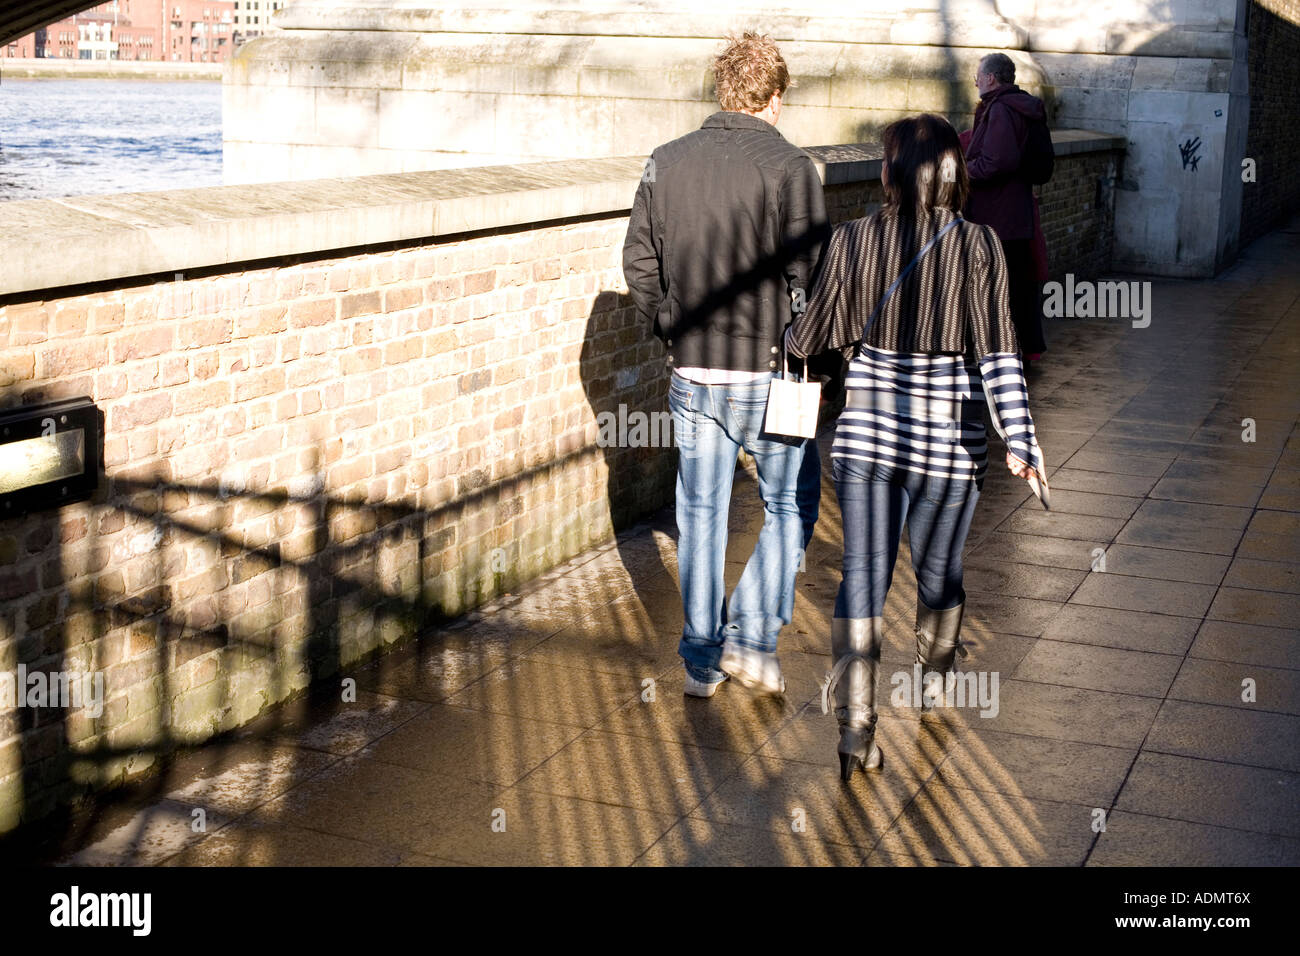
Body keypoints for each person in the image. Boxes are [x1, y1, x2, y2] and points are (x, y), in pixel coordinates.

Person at [785, 113, 1046, 780]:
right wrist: (1019, 438)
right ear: (955, 172)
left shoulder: (851, 240)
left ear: (893, 171)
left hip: (868, 437)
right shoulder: (980, 245)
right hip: (948, 446)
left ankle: (854, 729)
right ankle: (932, 680)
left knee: (864, 579)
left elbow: (814, 333)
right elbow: (998, 353)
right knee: (939, 575)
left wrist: (793, 331)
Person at [622, 32, 830, 699]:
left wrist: (669, 324)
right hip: (766, 370)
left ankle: (701, 661)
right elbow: (812, 272)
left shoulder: (665, 161)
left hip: (692, 372)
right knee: (791, 503)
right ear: (775, 95)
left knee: (701, 516)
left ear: (722, 89)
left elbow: (639, 262)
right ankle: (752, 637)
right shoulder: (792, 167)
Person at [963, 52, 1049, 364]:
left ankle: (996, 351)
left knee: (997, 286)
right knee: (1017, 285)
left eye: (977, 76)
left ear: (990, 78)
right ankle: (1020, 349)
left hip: (996, 214)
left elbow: (997, 160)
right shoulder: (1021, 106)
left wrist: (962, 172)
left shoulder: (1000, 109)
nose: (975, 82)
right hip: (1016, 213)